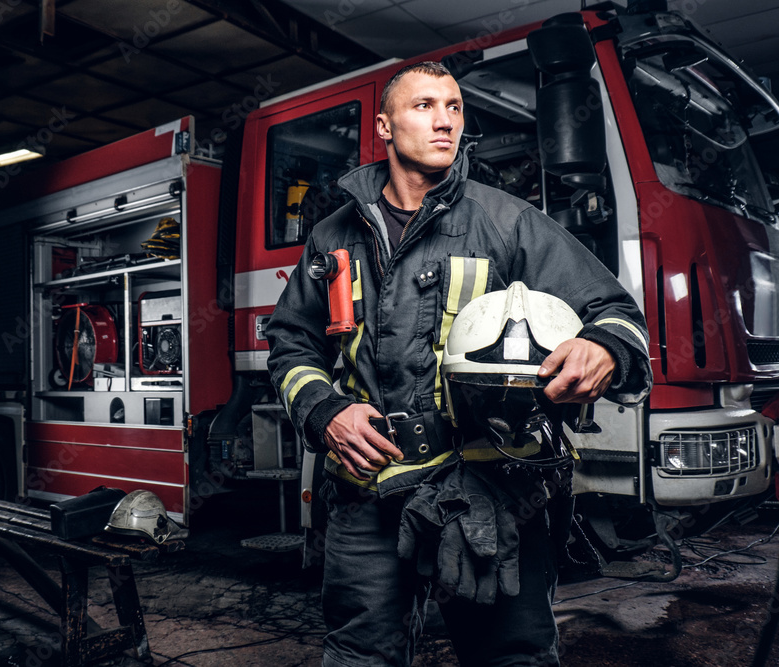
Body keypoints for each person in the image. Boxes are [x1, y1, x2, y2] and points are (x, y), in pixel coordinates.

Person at [265, 61, 652, 666]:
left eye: (454, 107)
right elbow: (291, 341)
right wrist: (325, 411)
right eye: (424, 106)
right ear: (384, 126)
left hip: (484, 490)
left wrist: (603, 348)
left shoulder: (507, 221)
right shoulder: (332, 235)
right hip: (364, 487)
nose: (445, 120)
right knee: (359, 653)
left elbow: (615, 311)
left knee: (510, 654)